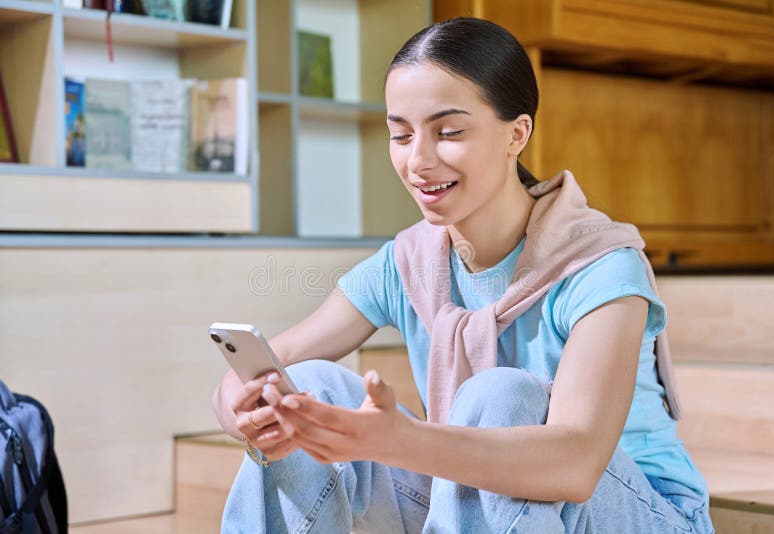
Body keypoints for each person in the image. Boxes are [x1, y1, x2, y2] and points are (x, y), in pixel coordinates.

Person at [212, 17, 713, 533]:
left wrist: (400, 440)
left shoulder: (599, 266)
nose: (418, 160)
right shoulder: (410, 262)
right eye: (401, 135)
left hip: (639, 514)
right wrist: (242, 411)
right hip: (479, 501)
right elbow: (262, 367)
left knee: (501, 397)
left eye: (449, 132)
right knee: (309, 386)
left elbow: (576, 465)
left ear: (517, 134)